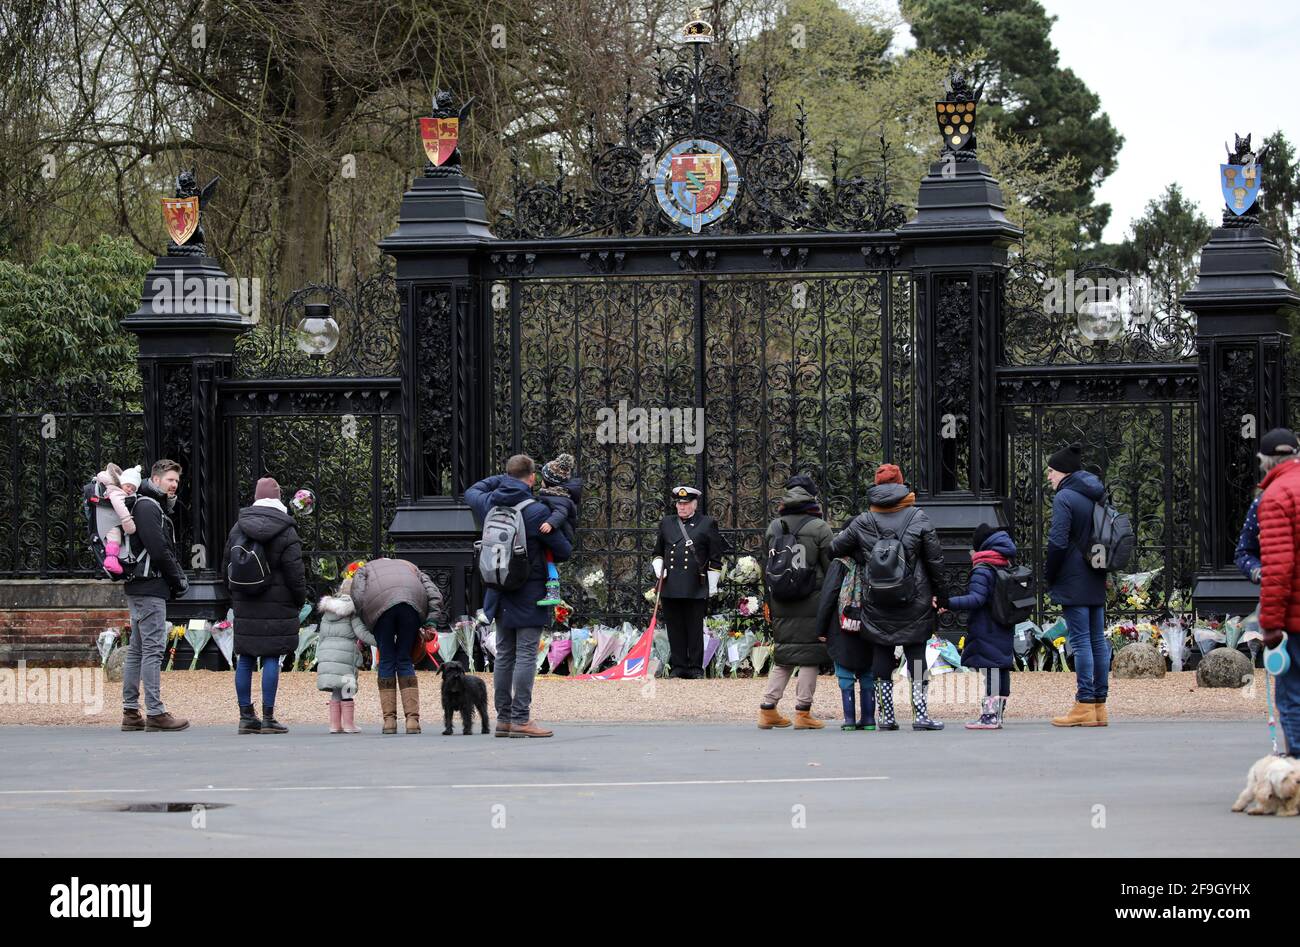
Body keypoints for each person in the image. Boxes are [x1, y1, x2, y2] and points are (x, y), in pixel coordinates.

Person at [830, 463, 948, 731]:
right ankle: (920, 715)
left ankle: (887, 716)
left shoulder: (863, 521)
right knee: (916, 653)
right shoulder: (918, 517)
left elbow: (834, 548)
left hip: (877, 598)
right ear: (902, 484)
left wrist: (863, 555)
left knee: (881, 651)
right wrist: (942, 598)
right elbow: (936, 562)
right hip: (915, 598)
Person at [466, 454, 572, 737]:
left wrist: (503, 480)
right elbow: (563, 550)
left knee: (504, 655)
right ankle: (521, 719)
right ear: (533, 478)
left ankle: (503, 718)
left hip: (498, 590)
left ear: (506, 475)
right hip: (530, 591)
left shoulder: (489, 503)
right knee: (526, 654)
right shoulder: (536, 511)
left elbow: (471, 490)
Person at [223, 477, 307, 735]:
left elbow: (227, 561)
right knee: (272, 656)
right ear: (279, 498)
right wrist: (299, 599)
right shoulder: (286, 529)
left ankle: (246, 716)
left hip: (246, 600)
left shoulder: (239, 526)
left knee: (245, 658)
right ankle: (269, 717)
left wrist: (235, 593)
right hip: (277, 602)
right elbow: (295, 572)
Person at [1043, 443, 1110, 728]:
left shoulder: (1065, 497)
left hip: (1073, 574)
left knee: (1080, 641)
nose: (1048, 476)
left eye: (1051, 470)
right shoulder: (1097, 495)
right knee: (1097, 641)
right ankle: (1098, 706)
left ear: (1063, 472)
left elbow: (1058, 541)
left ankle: (1083, 704)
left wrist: (1050, 573)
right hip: (1096, 572)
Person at [120, 459, 190, 732]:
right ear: (155, 479)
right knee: (152, 650)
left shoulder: (142, 504)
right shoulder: (147, 506)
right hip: (150, 586)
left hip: (138, 587)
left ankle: (130, 712)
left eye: (176, 481)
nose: (173, 485)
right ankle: (156, 713)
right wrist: (176, 580)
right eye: (170, 479)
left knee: (137, 650)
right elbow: (159, 549)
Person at [758, 474, 832, 729]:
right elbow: (830, 566)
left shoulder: (774, 527)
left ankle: (767, 708)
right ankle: (803, 713)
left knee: (785, 655)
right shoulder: (820, 527)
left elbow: (766, 564)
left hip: (781, 597)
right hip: (812, 598)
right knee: (809, 656)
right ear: (812, 497)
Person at [351, 557, 445, 734]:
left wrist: (367, 619)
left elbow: (357, 594)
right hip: (412, 605)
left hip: (379, 607)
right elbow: (434, 593)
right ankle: (412, 721)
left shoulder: (367, 568)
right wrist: (430, 623)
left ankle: (389, 722)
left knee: (386, 659)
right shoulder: (411, 566)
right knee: (404, 659)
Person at [1254, 427, 1300, 758]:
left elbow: (1279, 568)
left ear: (1266, 461)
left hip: (1296, 617)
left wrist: (1269, 623)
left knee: (1293, 695)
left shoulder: (1275, 496)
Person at [653, 485, 728, 679]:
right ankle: (678, 666)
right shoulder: (667, 523)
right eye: (679, 503)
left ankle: (695, 667)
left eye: (686, 504)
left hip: (695, 584)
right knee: (675, 627)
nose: (682, 507)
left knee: (694, 627)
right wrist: (659, 569)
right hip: (671, 584)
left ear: (694, 504)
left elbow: (715, 557)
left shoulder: (706, 523)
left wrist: (711, 584)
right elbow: (658, 552)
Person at [948, 523, 1017, 730]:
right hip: (1003, 622)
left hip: (986, 624)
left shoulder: (984, 567)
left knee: (991, 668)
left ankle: (989, 716)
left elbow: (976, 599)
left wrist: (948, 603)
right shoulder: (1004, 562)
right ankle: (999, 713)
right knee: (1001, 666)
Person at [819, 555, 876, 731]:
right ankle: (868, 720)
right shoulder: (875, 558)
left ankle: (849, 720)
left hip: (842, 623)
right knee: (867, 671)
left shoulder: (839, 564)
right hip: (870, 623)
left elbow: (828, 595)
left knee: (844, 670)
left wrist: (821, 628)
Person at [315, 575, 376, 734]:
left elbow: (321, 635)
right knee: (346, 688)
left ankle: (335, 725)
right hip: (346, 656)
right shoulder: (351, 611)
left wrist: (321, 655)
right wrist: (381, 641)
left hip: (327, 654)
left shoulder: (327, 611)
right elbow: (361, 633)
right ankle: (349, 725)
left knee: (335, 690)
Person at [535, 452, 582, 606]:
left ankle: (553, 592)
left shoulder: (560, 498)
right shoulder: (554, 495)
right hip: (556, 536)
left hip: (558, 536)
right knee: (547, 563)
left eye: (543, 479)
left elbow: (560, 513)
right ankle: (550, 591)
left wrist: (550, 523)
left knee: (549, 563)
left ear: (548, 482)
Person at [94, 463, 141, 576]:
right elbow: (119, 506)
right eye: (128, 486)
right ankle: (111, 561)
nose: (130, 489)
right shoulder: (116, 492)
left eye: (133, 488)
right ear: (123, 482)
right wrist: (128, 522)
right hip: (111, 520)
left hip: (110, 518)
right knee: (114, 539)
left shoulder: (118, 488)